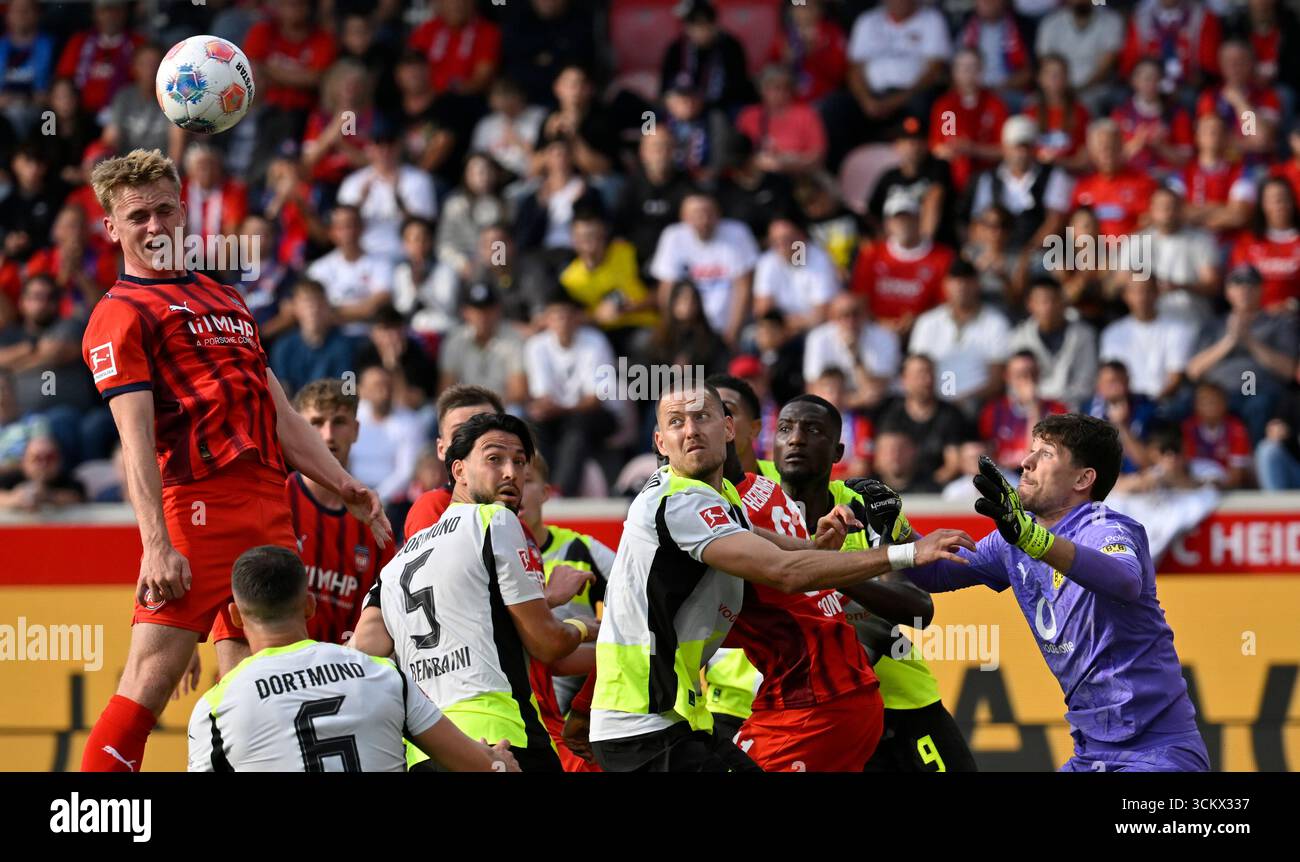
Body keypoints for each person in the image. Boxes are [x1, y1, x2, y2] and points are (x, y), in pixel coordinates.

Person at [77, 148, 389, 772]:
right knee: (148, 682)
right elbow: (134, 442)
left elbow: (278, 415)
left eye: (165, 210)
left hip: (271, 508)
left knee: (272, 681)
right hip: (198, 511)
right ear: (111, 227)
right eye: (137, 217)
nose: (155, 227)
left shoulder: (226, 298)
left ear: (185, 211)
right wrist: (155, 544)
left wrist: (344, 483)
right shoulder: (119, 315)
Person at [588, 381, 975, 771]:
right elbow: (783, 572)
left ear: (728, 429)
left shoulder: (725, 497)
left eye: (702, 417)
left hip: (689, 715)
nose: (690, 430)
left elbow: (769, 545)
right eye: (676, 422)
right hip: (652, 722)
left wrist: (817, 549)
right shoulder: (679, 503)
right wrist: (908, 553)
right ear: (659, 441)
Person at [899, 414, 1210, 771]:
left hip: (1157, 753)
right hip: (1091, 754)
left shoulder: (1105, 528)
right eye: (1031, 451)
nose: (1025, 462)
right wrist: (896, 530)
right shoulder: (1013, 540)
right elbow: (937, 574)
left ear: (1083, 478)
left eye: (1046, 454)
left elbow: (1125, 582)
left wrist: (1034, 540)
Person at [351, 412, 599, 771]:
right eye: (494, 459)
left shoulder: (396, 564)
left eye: (519, 462)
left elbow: (365, 646)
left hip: (425, 751)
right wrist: (586, 627)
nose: (511, 472)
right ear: (458, 471)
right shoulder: (495, 520)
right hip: (504, 739)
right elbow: (547, 644)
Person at [186, 545, 517, 772]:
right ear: (309, 606)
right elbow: (476, 763)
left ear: (235, 616)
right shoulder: (381, 674)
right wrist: (498, 762)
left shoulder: (215, 708)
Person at [287, 378, 396, 644]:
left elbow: (388, 611)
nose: (328, 435)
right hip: (281, 675)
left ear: (356, 430)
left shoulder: (373, 518)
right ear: (298, 429)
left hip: (346, 675)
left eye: (339, 422)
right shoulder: (277, 501)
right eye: (316, 423)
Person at [523, 293, 618, 496]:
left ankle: (561, 492)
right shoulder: (536, 346)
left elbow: (596, 400)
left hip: (601, 415)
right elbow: (542, 396)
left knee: (577, 427)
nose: (562, 321)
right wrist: (546, 408)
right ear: (547, 320)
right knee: (530, 425)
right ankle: (537, 487)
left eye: (567, 315)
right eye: (556, 316)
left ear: (577, 318)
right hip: (561, 415)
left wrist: (559, 408)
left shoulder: (595, 342)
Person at [404, 384, 504, 539]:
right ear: (441, 449)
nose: (474, 444)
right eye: (459, 435)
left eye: (486, 431)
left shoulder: (514, 515)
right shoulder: (431, 508)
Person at [1007, 275, 1098, 407]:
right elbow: (1014, 387)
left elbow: (1086, 384)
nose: (1047, 307)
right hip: (1029, 410)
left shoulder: (1084, 335)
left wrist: (1053, 403)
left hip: (1072, 411)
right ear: (1030, 305)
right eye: (1041, 301)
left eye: (1053, 300)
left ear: (1063, 302)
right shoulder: (1019, 338)